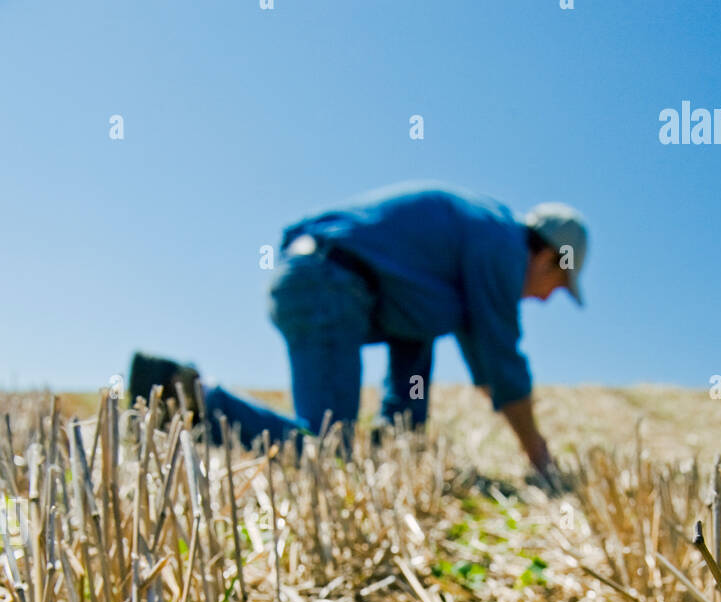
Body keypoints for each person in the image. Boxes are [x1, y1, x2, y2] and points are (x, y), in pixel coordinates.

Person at [129, 183, 589, 490]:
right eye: (558, 286)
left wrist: (401, 439)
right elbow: (502, 363)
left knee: (348, 455)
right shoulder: (502, 245)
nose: (548, 300)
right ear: (549, 256)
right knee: (329, 452)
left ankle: (189, 402)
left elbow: (432, 348)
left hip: (322, 278)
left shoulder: (459, 258)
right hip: (327, 282)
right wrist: (539, 456)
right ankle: (188, 398)